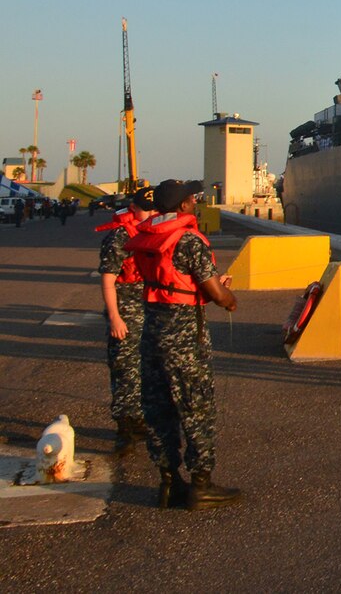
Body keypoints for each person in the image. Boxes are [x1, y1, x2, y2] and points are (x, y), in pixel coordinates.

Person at [127, 178, 239, 509]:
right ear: (183, 206)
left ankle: (168, 483)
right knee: (196, 408)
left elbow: (169, 278)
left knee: (159, 408)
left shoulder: (146, 236)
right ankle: (201, 485)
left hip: (152, 333)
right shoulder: (189, 240)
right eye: (191, 197)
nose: (195, 200)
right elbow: (215, 293)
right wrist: (229, 298)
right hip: (186, 338)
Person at [96, 185, 155, 450]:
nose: (152, 213)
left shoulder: (154, 233)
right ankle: (125, 427)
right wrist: (115, 317)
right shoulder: (120, 236)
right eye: (146, 209)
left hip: (150, 309)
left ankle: (140, 419)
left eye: (156, 209)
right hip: (125, 310)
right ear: (133, 208)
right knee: (124, 369)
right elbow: (108, 279)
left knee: (147, 370)